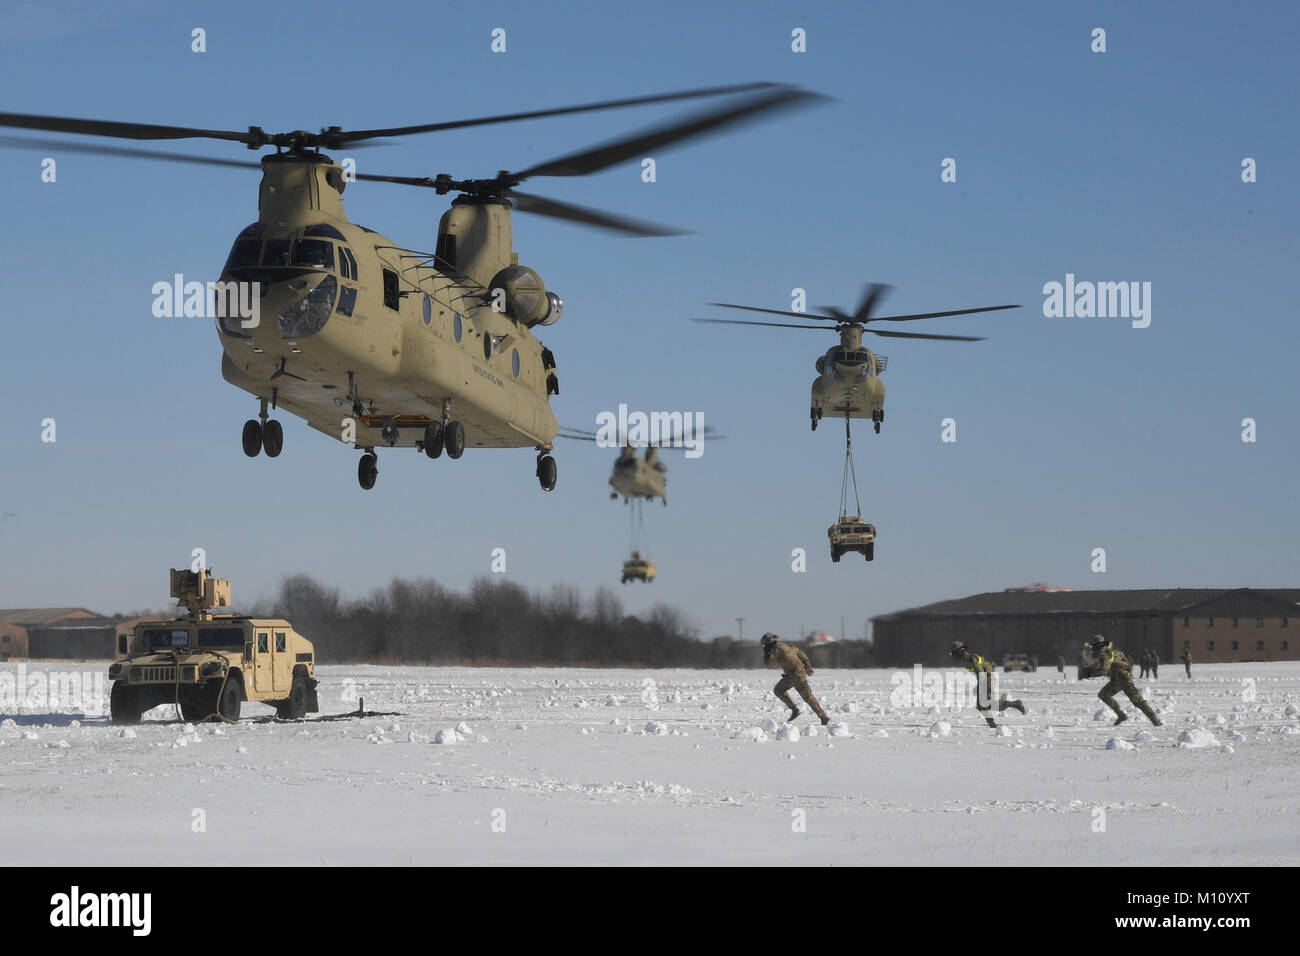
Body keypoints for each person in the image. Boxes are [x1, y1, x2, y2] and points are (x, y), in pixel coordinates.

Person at [948, 641, 1026, 728]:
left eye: (953, 652)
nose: (953, 655)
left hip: (986, 679)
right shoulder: (967, 658)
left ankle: (994, 722)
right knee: (984, 704)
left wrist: (983, 686)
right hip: (985, 679)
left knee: (984, 704)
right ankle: (1013, 706)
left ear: (959, 651)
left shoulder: (969, 659)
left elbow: (981, 672)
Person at [1092, 636, 1161, 726]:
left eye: (1094, 645)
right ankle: (1121, 715)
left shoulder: (1104, 654)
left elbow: (1104, 669)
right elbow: (1127, 662)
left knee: (1137, 701)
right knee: (1103, 695)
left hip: (1123, 679)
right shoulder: (1114, 651)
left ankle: (1156, 721)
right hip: (1119, 679)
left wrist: (1090, 673)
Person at [761, 633, 829, 724]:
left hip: (796, 675)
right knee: (778, 690)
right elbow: (800, 653)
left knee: (807, 696)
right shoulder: (787, 645)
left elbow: (769, 665)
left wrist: (767, 654)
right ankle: (795, 710)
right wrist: (807, 665)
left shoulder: (774, 650)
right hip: (792, 675)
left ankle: (823, 717)